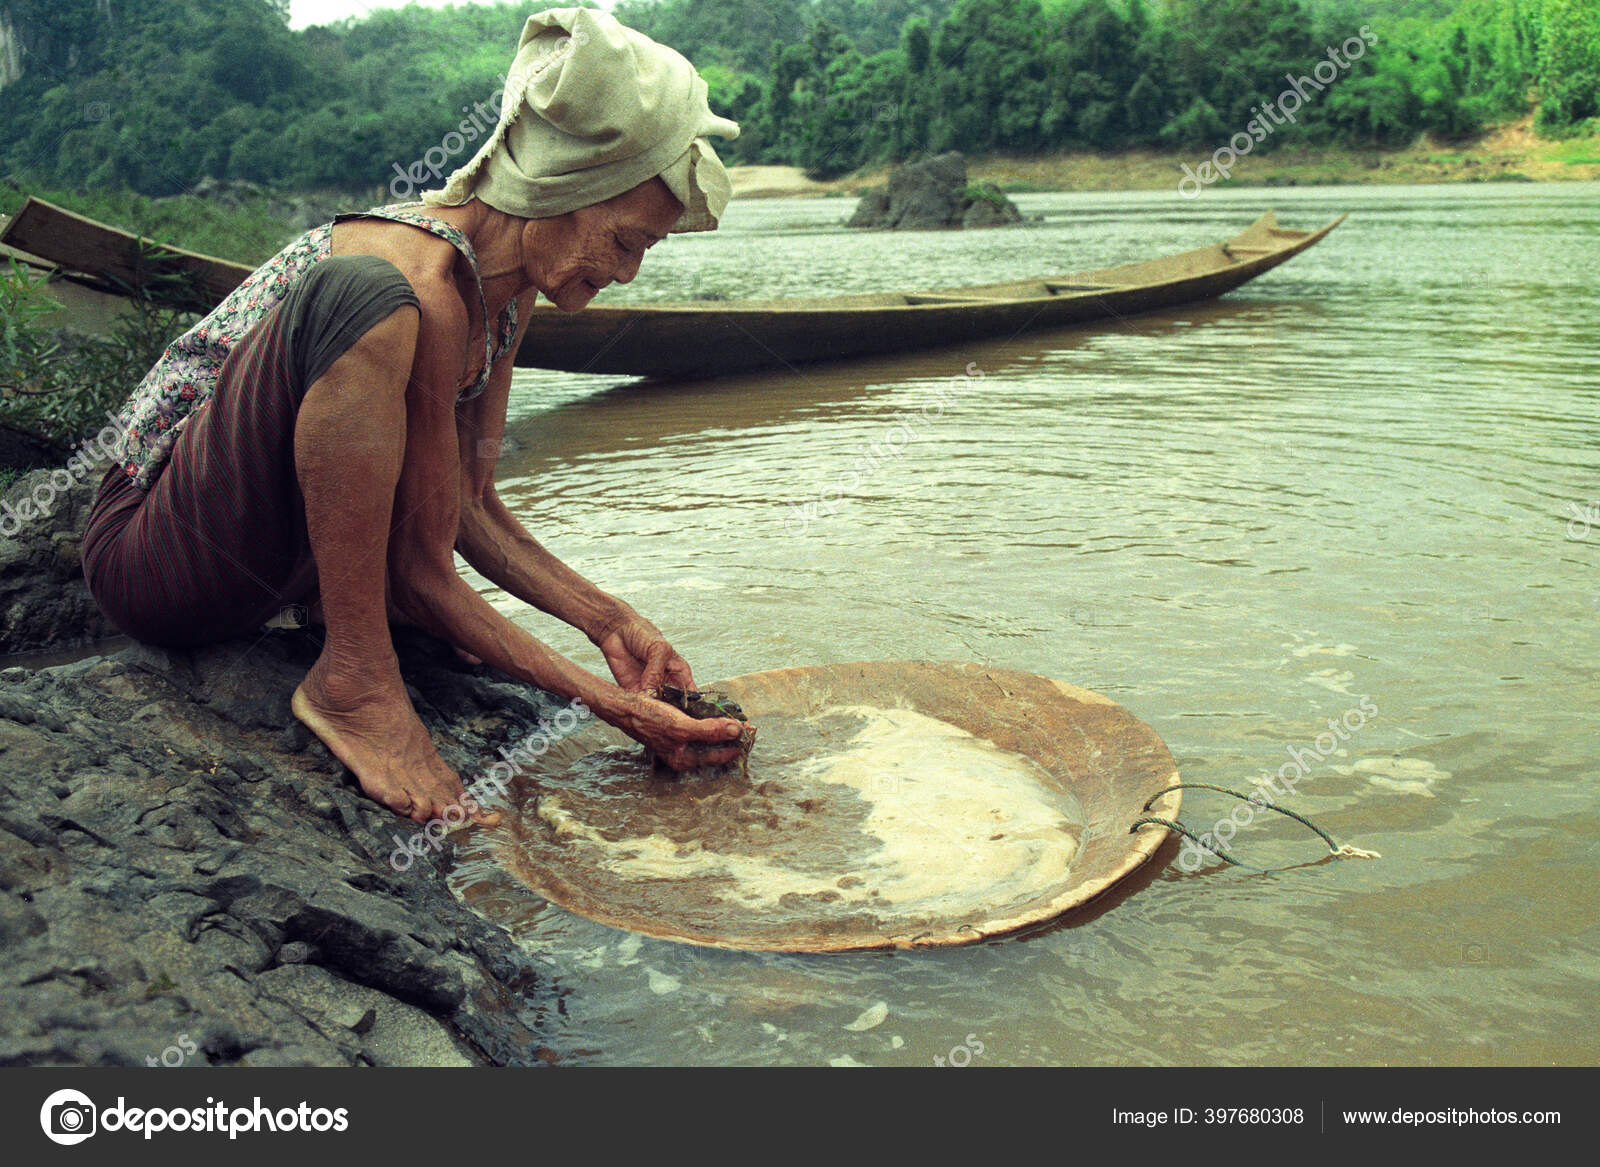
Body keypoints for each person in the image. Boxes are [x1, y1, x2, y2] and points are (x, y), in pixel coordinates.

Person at [81, 8, 747, 826]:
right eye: (624, 241)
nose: (629, 272)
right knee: (364, 297)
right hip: (156, 562)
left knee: (435, 586)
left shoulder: (507, 294)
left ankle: (363, 639)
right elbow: (419, 572)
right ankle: (355, 679)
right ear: (563, 189)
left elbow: (466, 505)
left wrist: (611, 622)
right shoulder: (417, 277)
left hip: (267, 573)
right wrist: (609, 706)